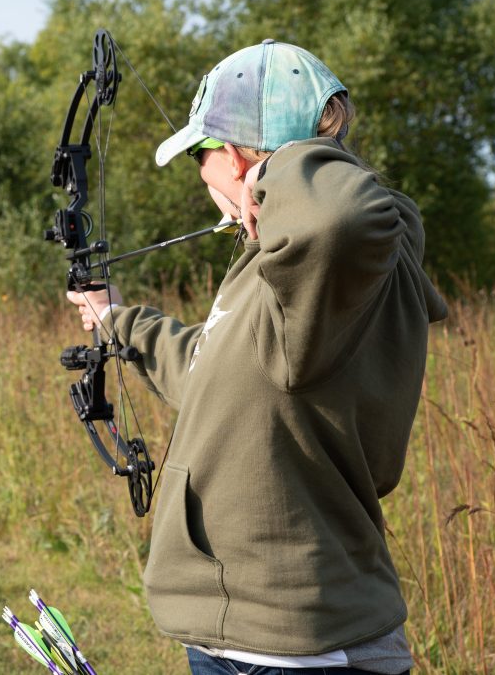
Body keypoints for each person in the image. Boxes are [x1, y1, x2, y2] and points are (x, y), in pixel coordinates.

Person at [67, 39, 447, 675]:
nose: (201, 175)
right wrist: (117, 321)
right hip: (255, 633)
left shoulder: (335, 256)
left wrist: (268, 176)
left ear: (240, 156)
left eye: (203, 153)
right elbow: (215, 371)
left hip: (288, 645)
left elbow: (345, 215)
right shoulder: (288, 274)